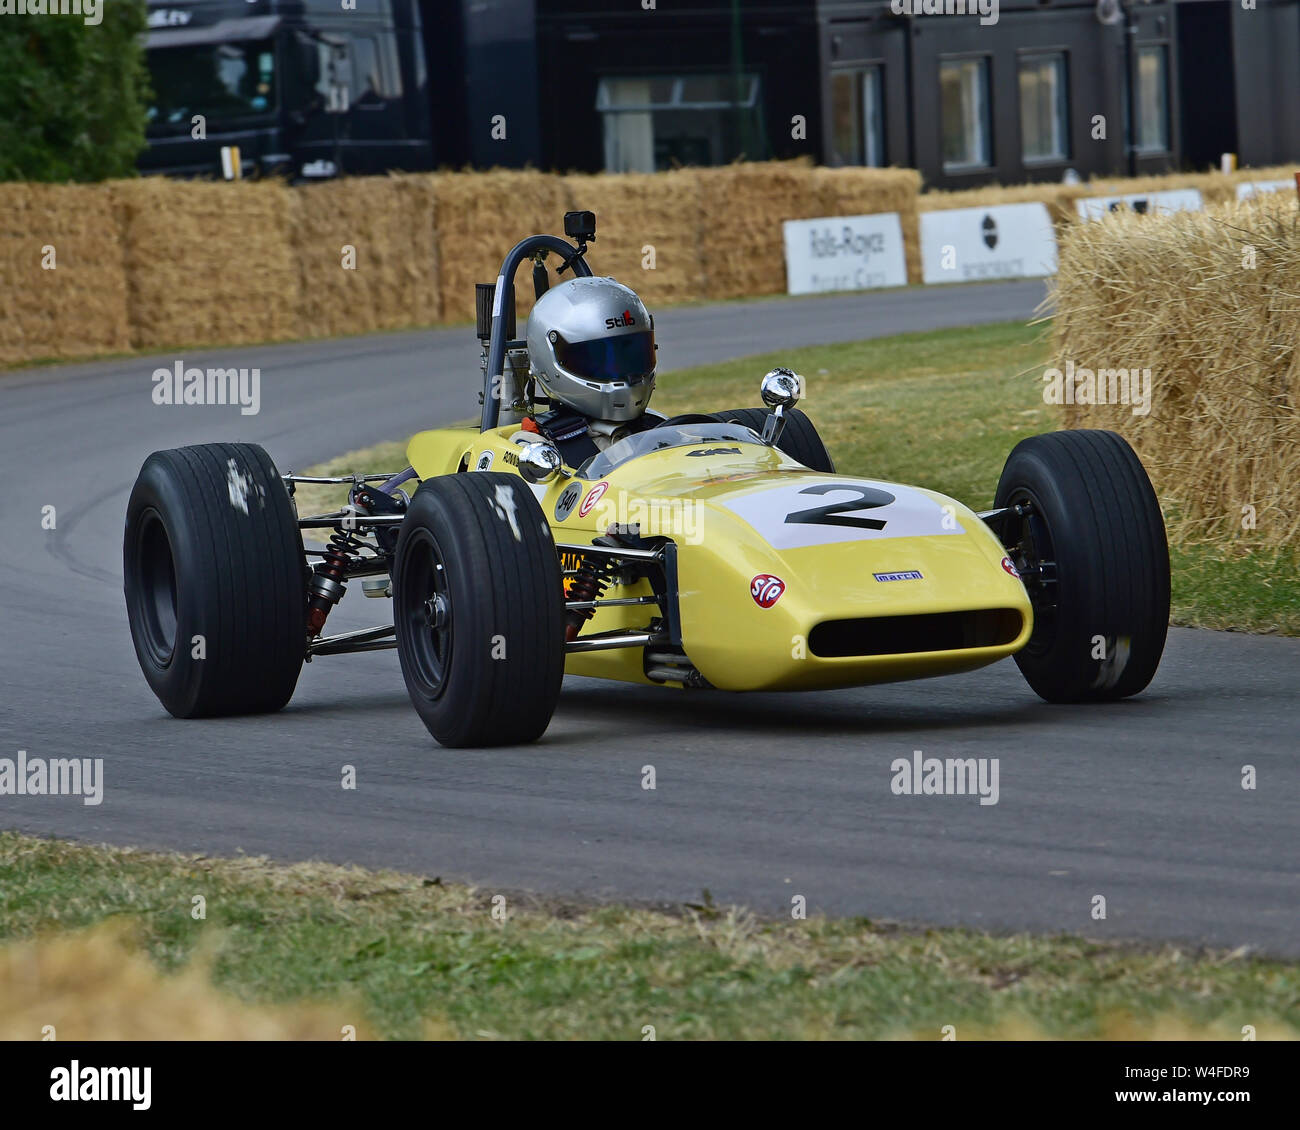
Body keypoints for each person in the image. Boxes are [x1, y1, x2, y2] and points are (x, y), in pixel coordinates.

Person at [520, 276, 659, 466]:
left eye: (633, 354)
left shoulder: (659, 425)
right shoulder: (538, 452)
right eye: (601, 359)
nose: (626, 375)